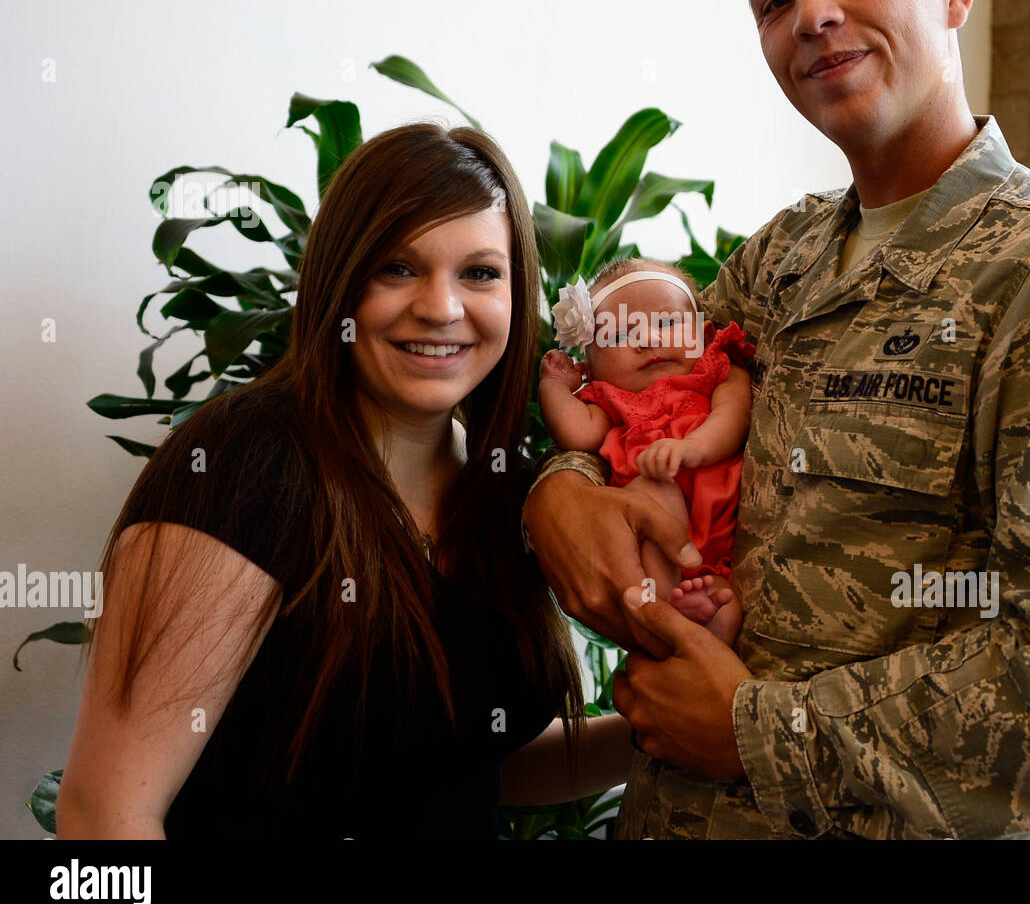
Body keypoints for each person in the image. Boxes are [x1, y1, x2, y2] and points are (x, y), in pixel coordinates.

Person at [522, 0, 1030, 839]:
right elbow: (641, 394)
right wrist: (559, 486)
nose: (810, 13)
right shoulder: (782, 259)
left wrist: (761, 732)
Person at [57, 122, 634, 839]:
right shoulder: (245, 464)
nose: (441, 306)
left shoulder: (503, 489)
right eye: (398, 267)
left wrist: (655, 732)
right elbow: (101, 814)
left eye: (480, 272)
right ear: (340, 282)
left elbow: (463, 766)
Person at [538, 258, 753, 644]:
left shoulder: (716, 370)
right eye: (619, 336)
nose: (648, 339)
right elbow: (577, 434)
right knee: (651, 490)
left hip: (722, 526)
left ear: (703, 335)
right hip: (654, 529)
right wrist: (555, 386)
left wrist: (693, 448)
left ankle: (697, 632)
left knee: (726, 606)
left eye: (669, 324)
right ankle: (664, 603)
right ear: (592, 364)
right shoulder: (610, 399)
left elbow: (732, 417)